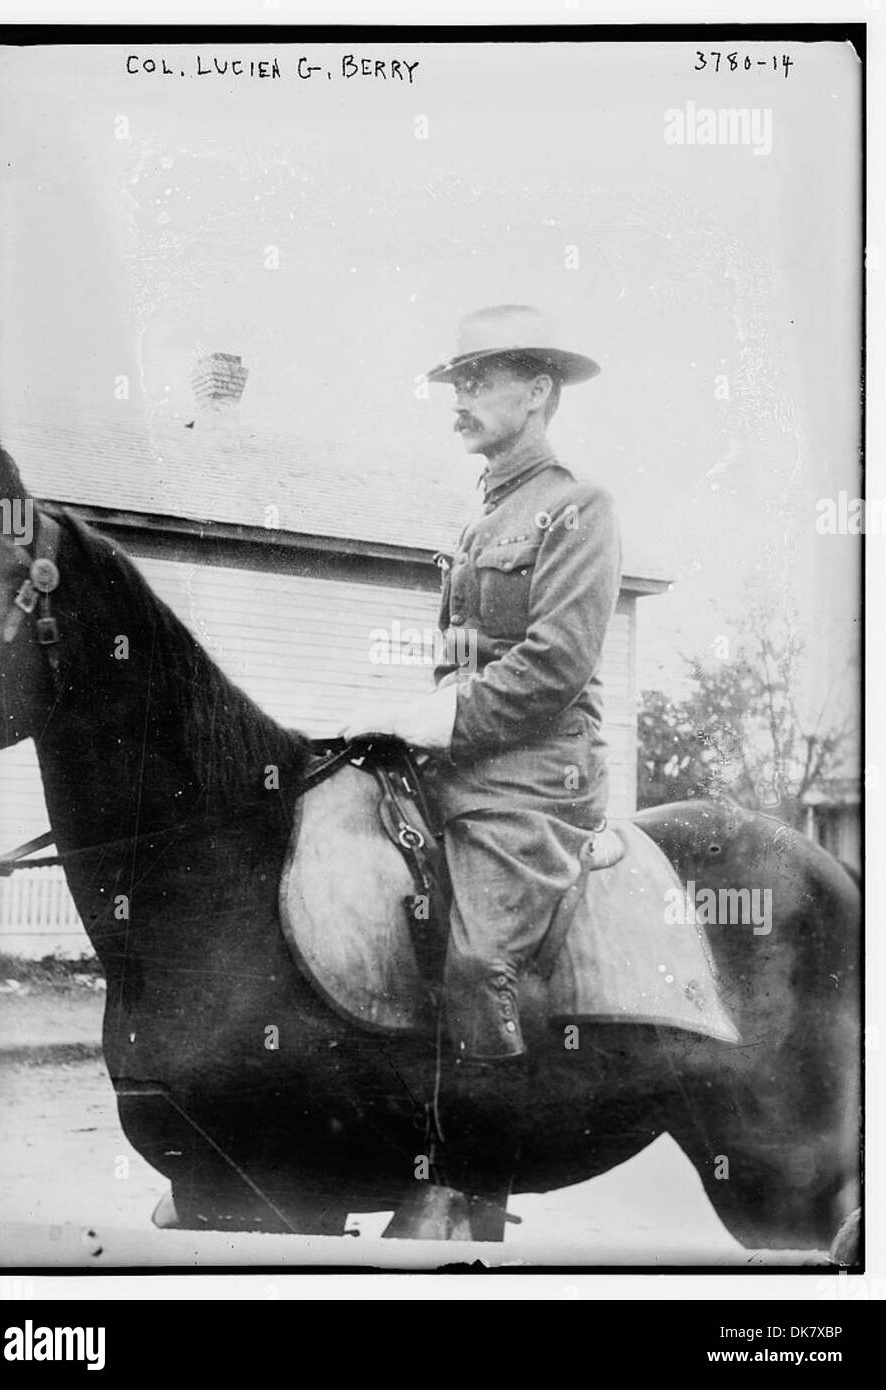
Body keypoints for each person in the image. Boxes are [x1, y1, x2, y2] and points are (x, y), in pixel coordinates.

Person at [341, 304, 622, 1235]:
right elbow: (456, 659)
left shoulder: (579, 510)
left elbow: (554, 666)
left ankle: (475, 1202)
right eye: (454, 383)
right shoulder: (480, 523)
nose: (458, 399)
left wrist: (440, 715)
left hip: (539, 775)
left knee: (475, 962)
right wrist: (412, 720)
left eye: (478, 381)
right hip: (457, 761)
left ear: (538, 393)